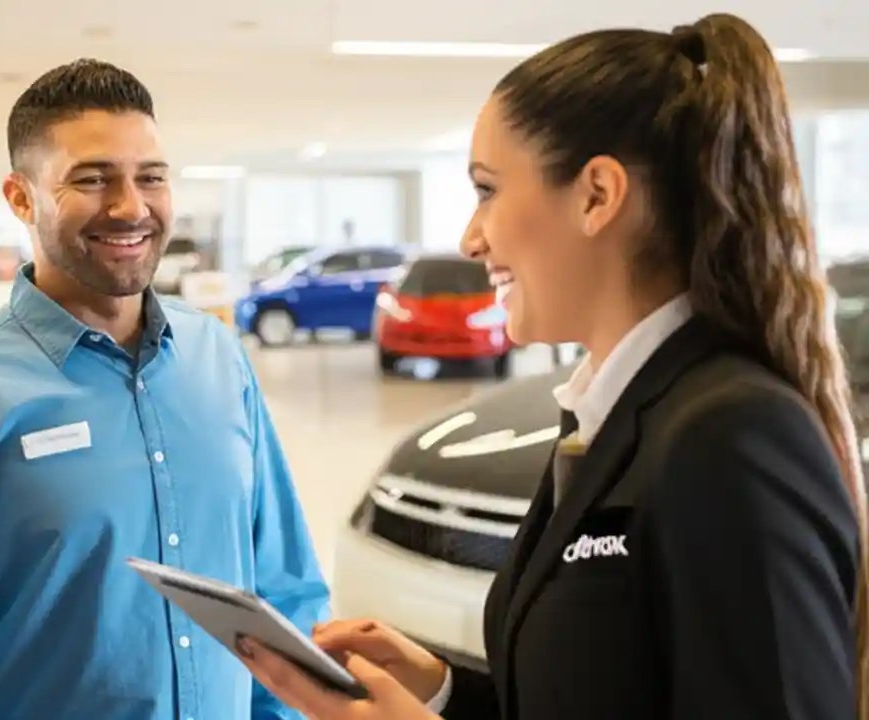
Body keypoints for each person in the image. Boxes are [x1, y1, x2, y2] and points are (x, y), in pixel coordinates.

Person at [236, 12, 868, 720]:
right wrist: (441, 693)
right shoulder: (611, 418)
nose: (471, 238)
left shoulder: (736, 435)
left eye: (486, 189)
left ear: (597, 195)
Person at [0, 58, 329, 720]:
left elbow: (284, 589)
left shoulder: (217, 358)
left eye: (151, 178)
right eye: (92, 179)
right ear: (21, 198)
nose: (130, 207)